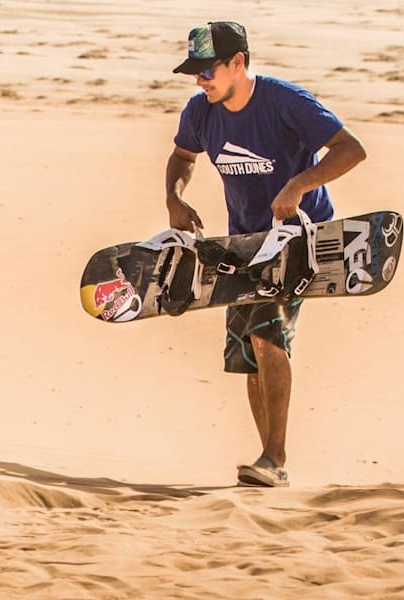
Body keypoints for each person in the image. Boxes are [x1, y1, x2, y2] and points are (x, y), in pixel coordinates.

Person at [165, 22, 366, 487]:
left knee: (266, 336)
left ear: (238, 63)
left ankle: (275, 460)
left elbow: (351, 149)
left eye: (207, 70)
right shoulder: (200, 112)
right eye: (194, 72)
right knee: (247, 356)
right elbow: (182, 157)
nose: (200, 80)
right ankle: (268, 462)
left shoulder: (284, 101)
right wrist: (175, 197)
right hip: (242, 245)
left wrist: (299, 184)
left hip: (297, 239)